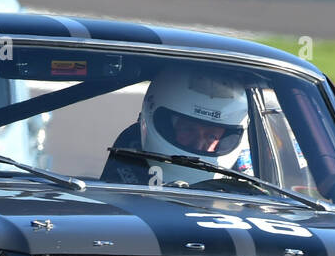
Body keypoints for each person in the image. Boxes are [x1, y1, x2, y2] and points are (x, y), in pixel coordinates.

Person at [102, 67, 256, 186]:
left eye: (211, 136)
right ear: (165, 125)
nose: (198, 143)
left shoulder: (246, 170)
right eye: (189, 130)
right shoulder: (131, 150)